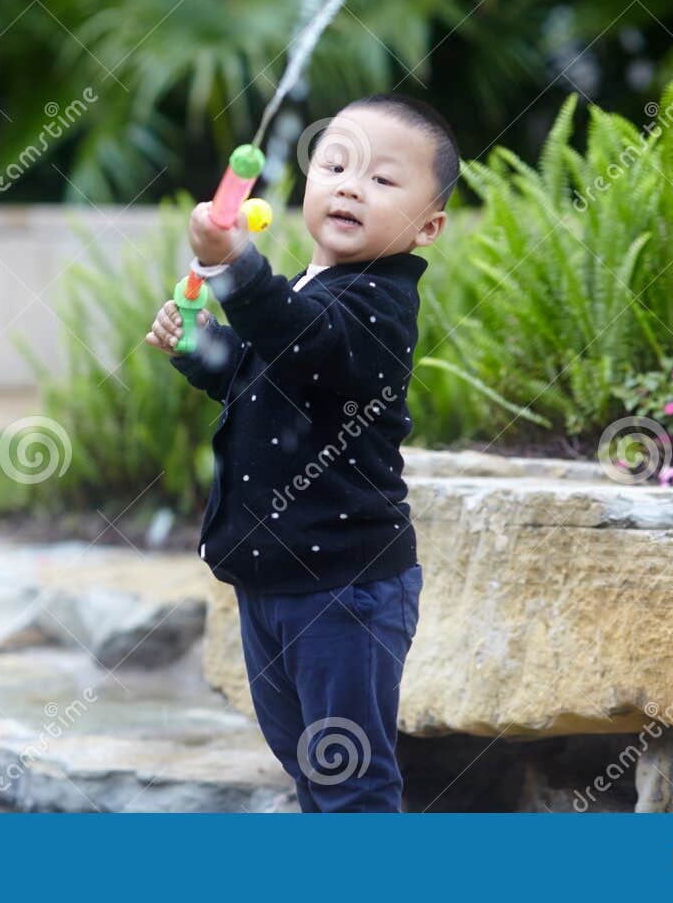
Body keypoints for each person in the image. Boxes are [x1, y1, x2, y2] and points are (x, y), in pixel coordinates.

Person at [144, 93, 459, 812]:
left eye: (383, 179)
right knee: (307, 763)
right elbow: (261, 373)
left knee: (350, 779)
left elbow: (306, 345)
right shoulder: (307, 293)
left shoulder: (382, 306)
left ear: (428, 226)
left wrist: (235, 267)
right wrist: (198, 344)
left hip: (344, 588)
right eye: (336, 166)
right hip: (274, 580)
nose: (352, 187)